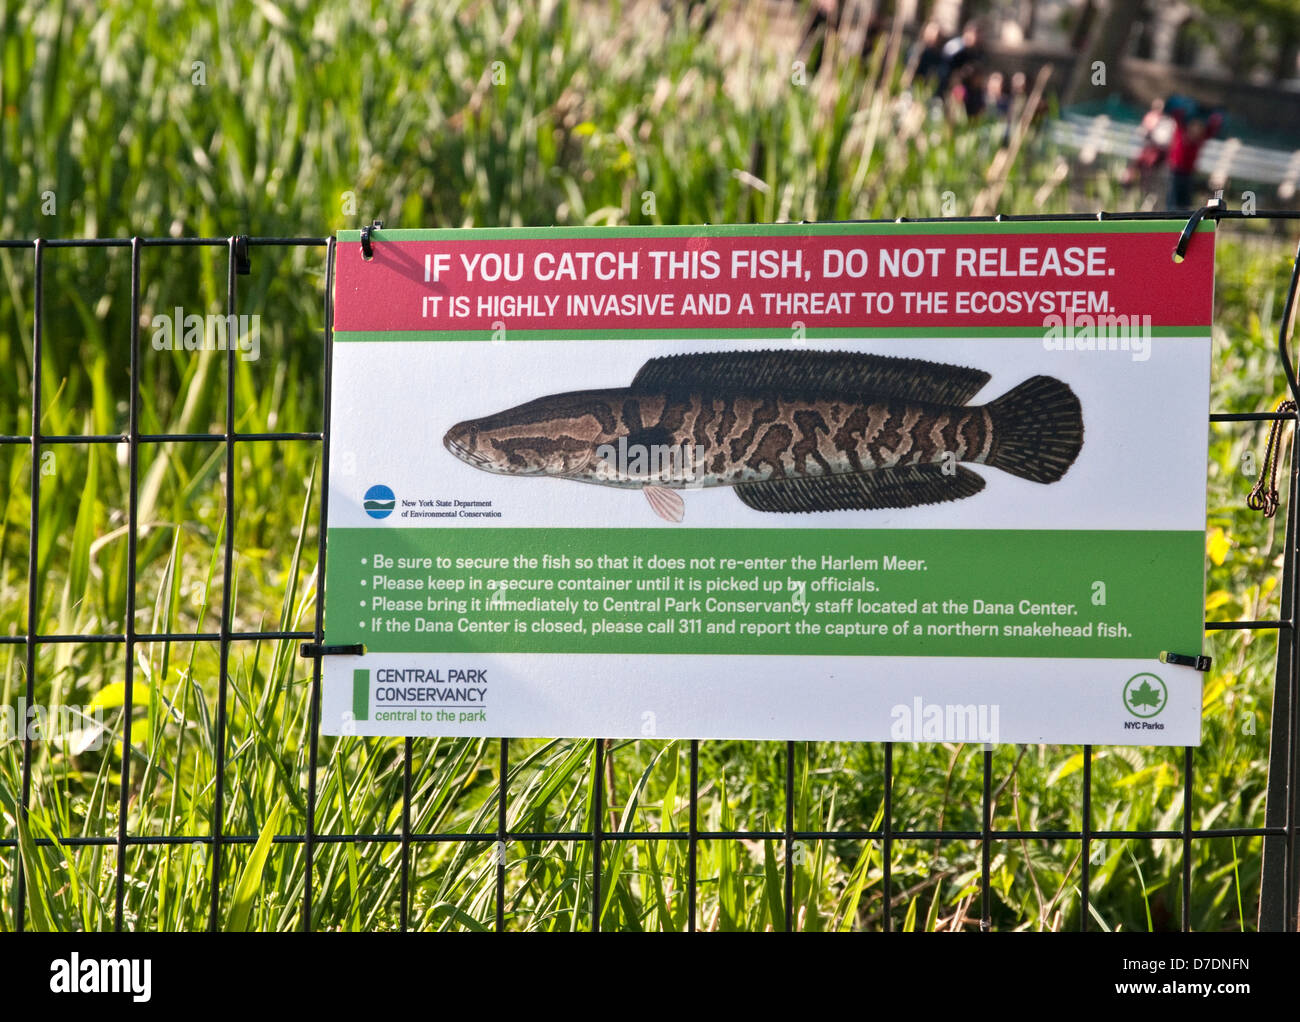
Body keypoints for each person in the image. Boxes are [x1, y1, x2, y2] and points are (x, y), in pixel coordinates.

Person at [1165, 97, 1223, 211]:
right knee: (1172, 201)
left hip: (1188, 174)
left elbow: (1216, 122)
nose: (1196, 129)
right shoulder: (1181, 130)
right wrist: (1191, 106)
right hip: (1175, 172)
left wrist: (1210, 110)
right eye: (1194, 126)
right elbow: (1175, 109)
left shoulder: (1201, 137)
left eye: (1199, 127)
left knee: (1185, 203)